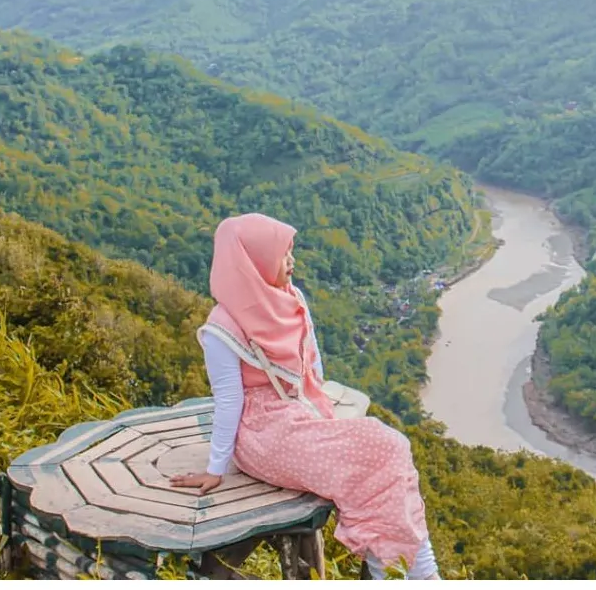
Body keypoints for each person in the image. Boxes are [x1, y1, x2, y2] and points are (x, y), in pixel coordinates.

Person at [170, 213, 441, 580]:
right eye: (284, 254)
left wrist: (319, 414)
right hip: (262, 436)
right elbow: (229, 401)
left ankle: (405, 567)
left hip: (299, 414)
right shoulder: (222, 328)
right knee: (386, 446)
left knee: (390, 449)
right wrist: (215, 469)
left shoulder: (290, 297)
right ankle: (407, 571)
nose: (292, 262)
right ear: (255, 262)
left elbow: (312, 366)